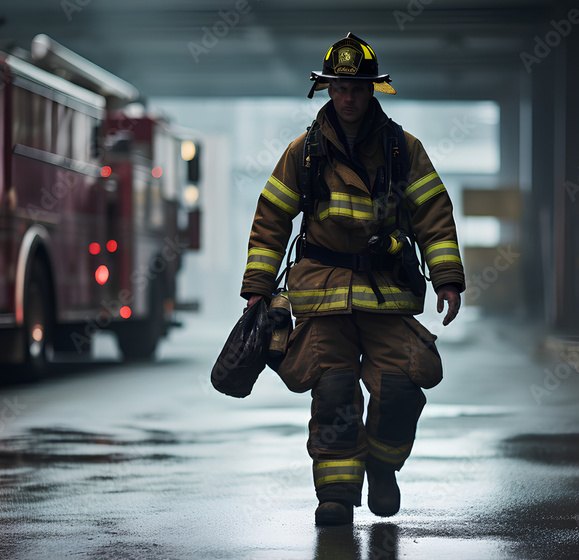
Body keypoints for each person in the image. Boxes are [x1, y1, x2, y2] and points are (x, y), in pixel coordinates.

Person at [241, 33, 465, 526]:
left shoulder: (404, 151)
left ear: (371, 91)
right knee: (335, 391)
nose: (347, 98)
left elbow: (433, 213)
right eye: (338, 89)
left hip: (386, 294)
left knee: (400, 389)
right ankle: (336, 496)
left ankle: (383, 469)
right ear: (325, 91)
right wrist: (258, 289)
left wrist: (446, 276)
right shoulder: (303, 154)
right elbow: (272, 218)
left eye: (357, 89)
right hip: (322, 293)